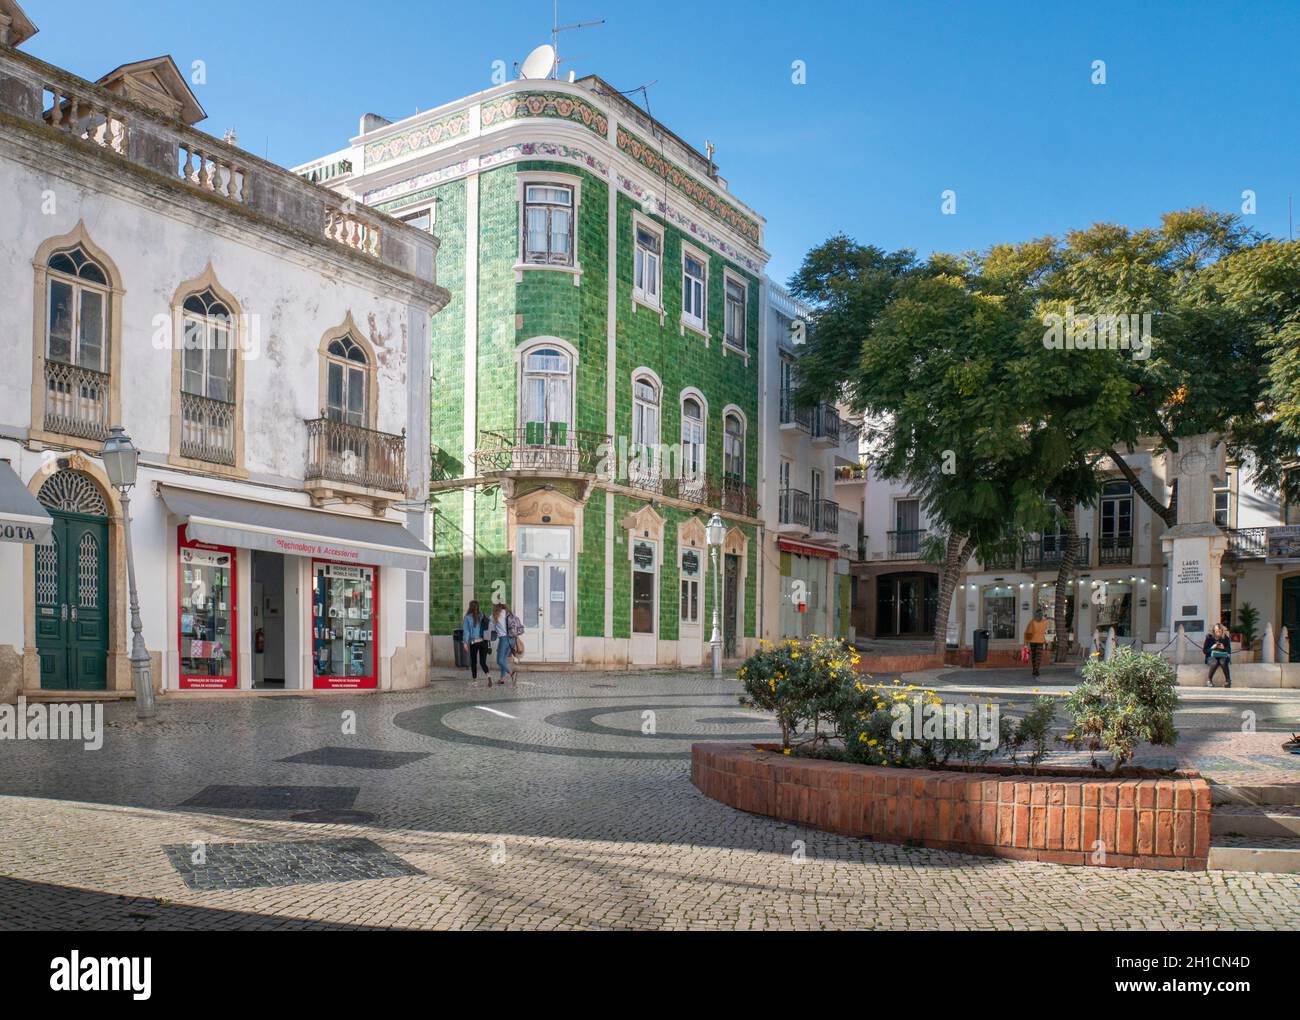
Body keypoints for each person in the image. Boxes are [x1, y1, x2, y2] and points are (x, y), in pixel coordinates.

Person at [462, 600, 490, 685]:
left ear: (470, 607)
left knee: (474, 662)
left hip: (474, 642)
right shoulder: (482, 616)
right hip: (483, 642)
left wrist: (465, 643)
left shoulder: (467, 617)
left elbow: (466, 631)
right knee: (483, 662)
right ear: (478, 607)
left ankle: (475, 681)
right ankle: (489, 676)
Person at [491, 602, 514, 685]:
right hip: (512, 639)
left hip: (504, 639)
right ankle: (502, 679)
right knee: (504, 659)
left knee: (499, 660)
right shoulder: (508, 613)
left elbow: (490, 626)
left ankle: (511, 673)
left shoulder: (494, 616)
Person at [1204, 623, 1233, 689]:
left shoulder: (1225, 638)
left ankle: (1228, 681)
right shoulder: (1209, 638)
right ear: (1214, 631)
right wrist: (1212, 648)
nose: (1218, 633)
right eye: (1216, 631)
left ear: (1222, 631)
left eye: (1220, 631)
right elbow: (1205, 651)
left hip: (1222, 656)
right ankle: (1209, 680)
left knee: (1223, 661)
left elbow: (1229, 651)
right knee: (1214, 662)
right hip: (1211, 656)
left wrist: (1224, 648)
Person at [1023, 608, 1049, 677]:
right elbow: (1045, 632)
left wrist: (1026, 643)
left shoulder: (1032, 622)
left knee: (1034, 656)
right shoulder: (1045, 622)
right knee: (1038, 656)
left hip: (1032, 641)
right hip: (1040, 641)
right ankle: (1036, 669)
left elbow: (1029, 632)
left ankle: (1034, 669)